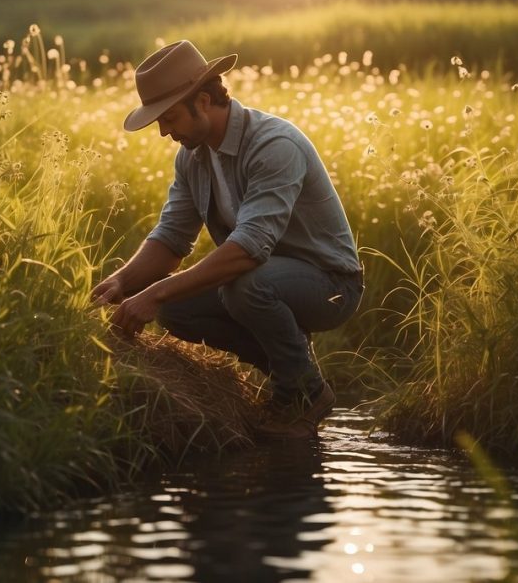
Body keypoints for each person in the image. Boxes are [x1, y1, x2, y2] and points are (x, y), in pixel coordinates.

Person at [91, 40, 363, 439]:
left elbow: (249, 249)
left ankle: (303, 394)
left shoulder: (274, 145)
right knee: (176, 309)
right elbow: (171, 238)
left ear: (203, 101)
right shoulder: (191, 156)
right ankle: (293, 375)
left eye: (168, 118)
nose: (164, 132)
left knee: (242, 285)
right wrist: (124, 282)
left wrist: (156, 291)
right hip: (266, 280)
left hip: (331, 285)